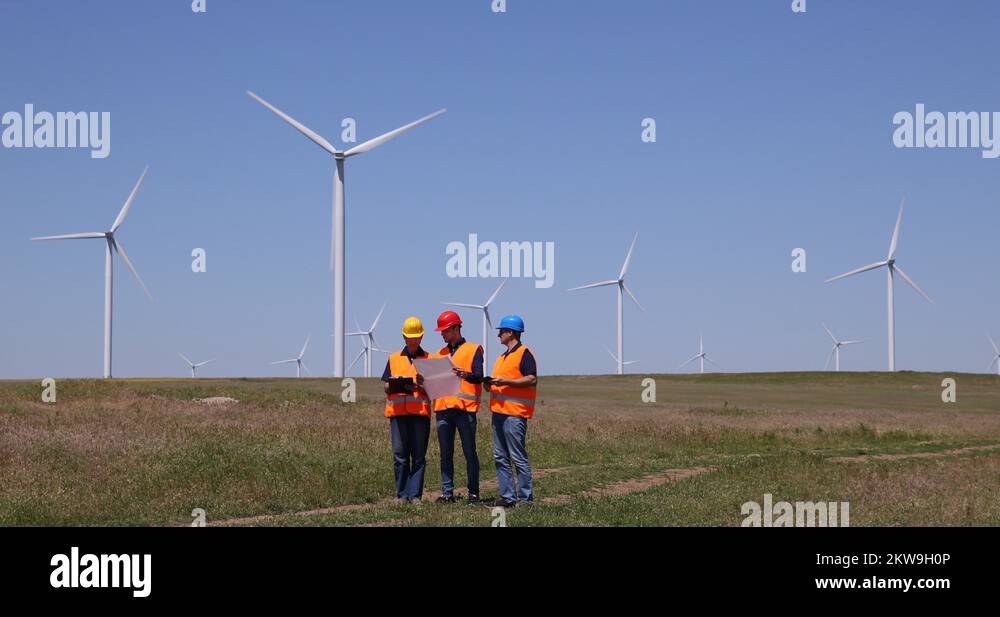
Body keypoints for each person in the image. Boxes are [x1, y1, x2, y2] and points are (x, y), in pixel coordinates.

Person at [432, 310, 484, 504]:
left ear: (456, 328)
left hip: (465, 410)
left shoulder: (473, 349)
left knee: (470, 452)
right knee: (446, 454)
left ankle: (473, 493)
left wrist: (465, 374)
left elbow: (479, 375)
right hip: (443, 410)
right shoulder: (439, 354)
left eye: (445, 330)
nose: (442, 335)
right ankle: (447, 493)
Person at [486, 314, 537, 508]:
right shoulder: (502, 358)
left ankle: (525, 499)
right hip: (498, 412)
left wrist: (505, 382)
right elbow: (502, 383)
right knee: (500, 456)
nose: (498, 334)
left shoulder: (524, 353)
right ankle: (508, 497)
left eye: (501, 331)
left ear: (510, 333)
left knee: (517, 457)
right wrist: (490, 385)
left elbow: (531, 378)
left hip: (515, 414)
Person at [382, 316, 432, 503]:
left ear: (421, 337)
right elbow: (386, 386)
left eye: (416, 337)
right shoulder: (393, 358)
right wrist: (398, 385)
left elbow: (436, 389)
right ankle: (402, 495)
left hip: (420, 414)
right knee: (400, 456)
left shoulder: (429, 359)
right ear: (403, 337)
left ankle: (415, 495)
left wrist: (423, 384)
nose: (413, 340)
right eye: (410, 337)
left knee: (418, 456)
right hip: (398, 414)